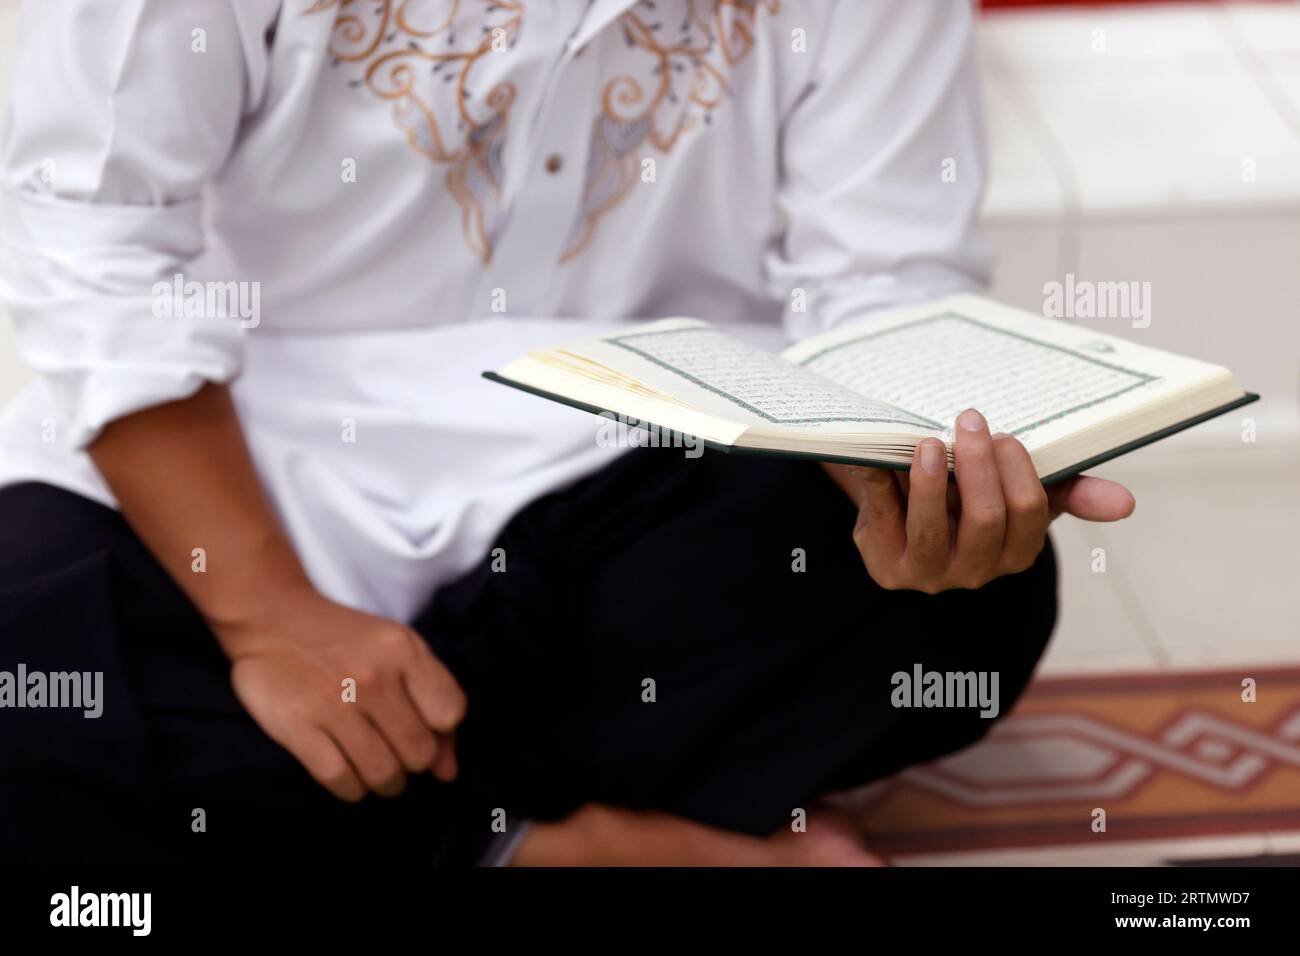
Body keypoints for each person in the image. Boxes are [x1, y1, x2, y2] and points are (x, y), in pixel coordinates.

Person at [0, 0, 1133, 866]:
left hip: (634, 468)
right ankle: (574, 844)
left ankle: (355, 816)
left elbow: (883, 274)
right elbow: (90, 242)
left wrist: (906, 471)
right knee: (27, 677)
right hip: (244, 467)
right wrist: (270, 617)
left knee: (971, 602)